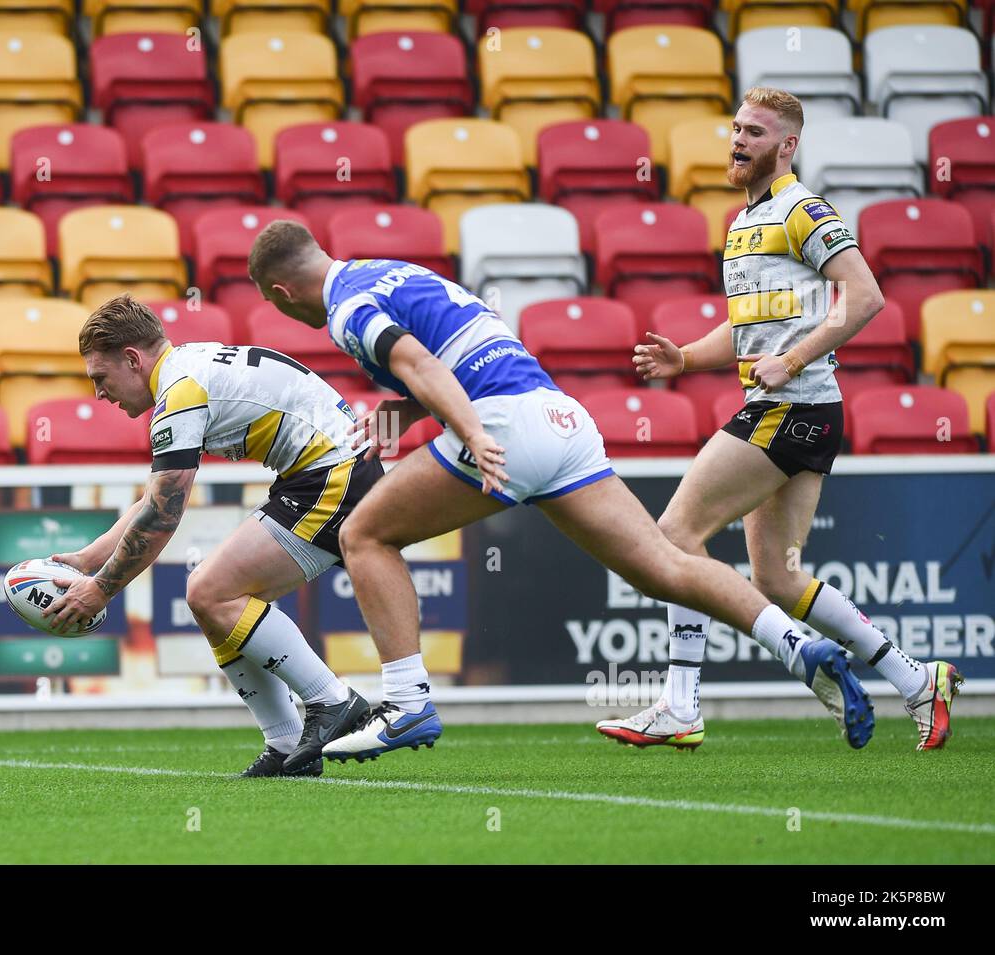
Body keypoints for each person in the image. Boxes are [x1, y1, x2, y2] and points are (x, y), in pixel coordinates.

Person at [247, 220, 871, 763]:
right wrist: (406, 415)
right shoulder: (388, 271)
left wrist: (469, 431)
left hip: (501, 424)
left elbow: (421, 364)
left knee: (363, 533)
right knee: (664, 567)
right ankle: (798, 647)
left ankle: (407, 704)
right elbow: (464, 346)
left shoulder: (345, 310)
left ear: (281, 293)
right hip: (560, 417)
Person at [595, 87, 961, 752]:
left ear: (787, 146)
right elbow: (743, 330)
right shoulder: (743, 221)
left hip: (791, 407)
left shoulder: (802, 209)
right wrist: (683, 357)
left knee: (675, 532)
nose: (738, 141)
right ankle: (916, 678)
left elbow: (867, 295)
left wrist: (791, 359)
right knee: (778, 576)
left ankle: (681, 702)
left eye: (755, 132)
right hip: (804, 412)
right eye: (736, 128)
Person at [43, 293, 372, 776]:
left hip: (333, 475)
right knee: (213, 599)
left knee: (209, 592)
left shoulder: (180, 391)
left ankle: (333, 702)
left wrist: (100, 590)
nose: (100, 395)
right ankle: (284, 746)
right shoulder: (184, 373)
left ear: (132, 359)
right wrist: (89, 559)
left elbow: (162, 516)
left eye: (101, 378)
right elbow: (155, 500)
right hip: (326, 473)